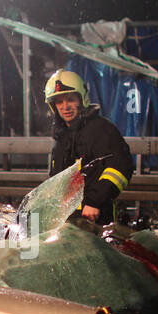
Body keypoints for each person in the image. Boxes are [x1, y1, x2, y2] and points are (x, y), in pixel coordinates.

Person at [45, 69, 132, 224]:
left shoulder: (102, 130)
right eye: (59, 101)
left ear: (81, 99)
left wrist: (94, 202)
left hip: (94, 218)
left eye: (70, 99)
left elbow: (120, 167)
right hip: (65, 218)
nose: (65, 107)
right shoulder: (62, 136)